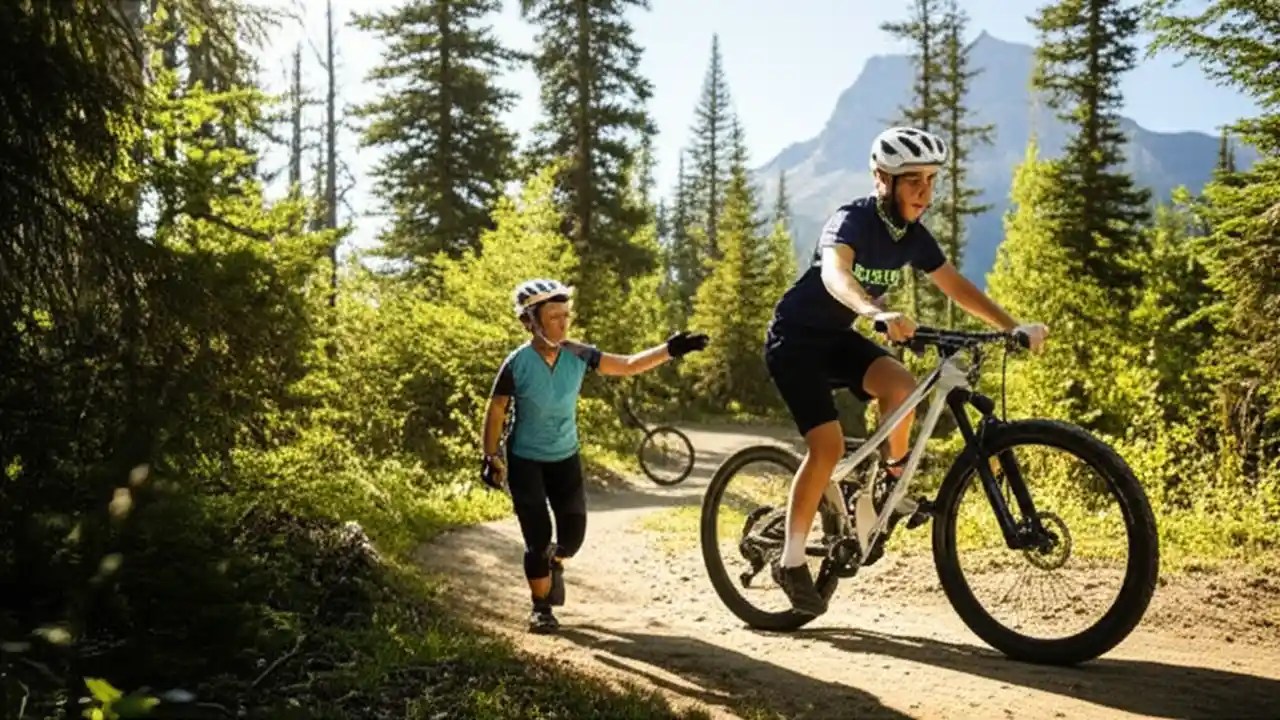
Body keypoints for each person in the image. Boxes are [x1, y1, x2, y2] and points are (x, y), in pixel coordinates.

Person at [763, 126, 1050, 616]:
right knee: (827, 446)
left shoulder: (913, 237)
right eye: (912, 179)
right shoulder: (850, 221)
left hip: (836, 340)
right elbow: (835, 274)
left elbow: (954, 285)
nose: (925, 191)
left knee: (902, 387)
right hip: (794, 341)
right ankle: (790, 562)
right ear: (883, 179)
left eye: (931, 180)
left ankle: (889, 485)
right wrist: (874, 313)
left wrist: (1012, 327)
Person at [480, 278, 709, 633]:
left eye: (565, 315)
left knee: (572, 538)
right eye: (553, 316)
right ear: (530, 322)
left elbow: (629, 364)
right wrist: (491, 456)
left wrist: (671, 349)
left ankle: (555, 561)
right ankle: (541, 608)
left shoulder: (578, 353)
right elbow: (496, 409)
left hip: (564, 456)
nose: (562, 322)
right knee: (536, 537)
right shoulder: (517, 363)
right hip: (525, 459)